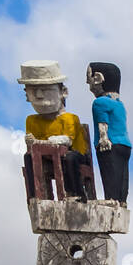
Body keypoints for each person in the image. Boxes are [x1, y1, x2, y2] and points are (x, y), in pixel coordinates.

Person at [19, 60, 94, 200]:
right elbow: (32, 145)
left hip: (75, 154)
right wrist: (32, 142)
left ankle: (76, 193)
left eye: (46, 90)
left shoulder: (70, 118)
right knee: (28, 157)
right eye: (33, 91)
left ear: (63, 92)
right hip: (48, 156)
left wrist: (40, 142)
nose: (39, 95)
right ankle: (35, 194)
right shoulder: (32, 120)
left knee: (69, 158)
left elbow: (66, 141)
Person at [87, 62, 131, 204]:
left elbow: (103, 122)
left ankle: (111, 199)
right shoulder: (119, 104)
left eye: (90, 78)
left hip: (109, 143)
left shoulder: (100, 102)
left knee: (110, 173)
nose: (88, 84)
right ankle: (121, 200)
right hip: (125, 144)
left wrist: (103, 139)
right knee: (122, 175)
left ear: (99, 79)